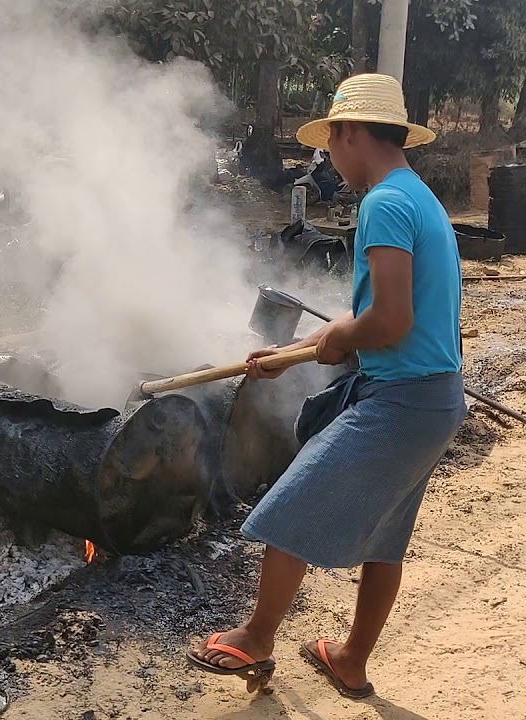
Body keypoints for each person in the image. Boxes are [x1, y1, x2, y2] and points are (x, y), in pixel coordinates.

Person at [187, 73, 466, 699]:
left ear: (346, 134)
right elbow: (388, 316)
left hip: (400, 402)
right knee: (386, 536)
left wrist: (335, 341)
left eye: (329, 146)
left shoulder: (384, 204)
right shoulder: (417, 198)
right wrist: (297, 352)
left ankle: (257, 638)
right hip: (434, 397)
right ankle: (349, 659)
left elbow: (390, 322)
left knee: (289, 507)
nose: (330, 162)